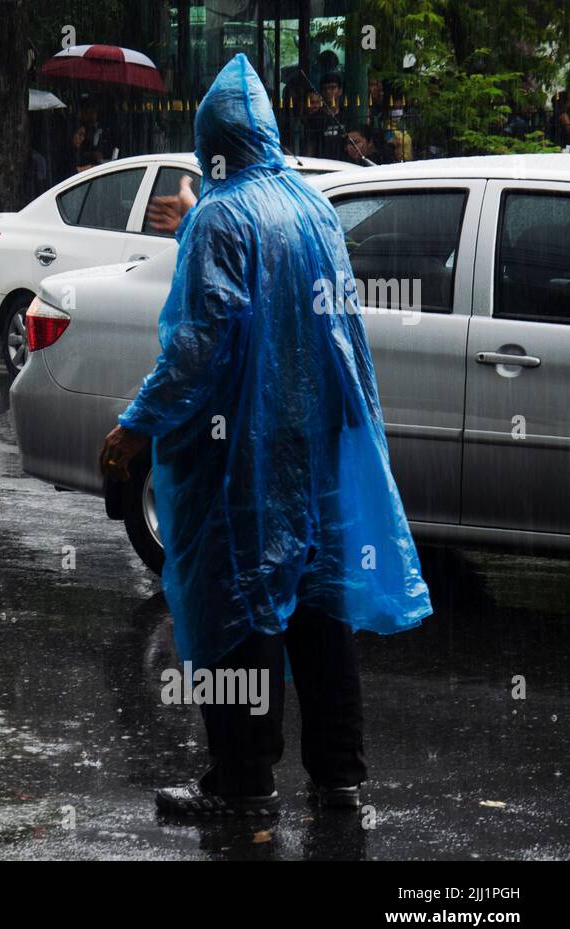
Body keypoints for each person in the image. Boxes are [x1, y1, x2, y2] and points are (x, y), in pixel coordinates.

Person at [98, 54, 432, 817]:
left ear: (210, 137)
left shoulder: (222, 218)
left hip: (241, 453)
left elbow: (196, 345)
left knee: (240, 604)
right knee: (317, 603)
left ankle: (242, 784)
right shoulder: (312, 207)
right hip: (311, 446)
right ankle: (339, 775)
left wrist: (134, 425)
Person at [307, 72, 347, 161]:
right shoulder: (314, 118)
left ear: (340, 91)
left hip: (345, 163)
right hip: (324, 163)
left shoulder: (347, 115)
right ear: (321, 92)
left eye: (333, 88)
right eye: (325, 89)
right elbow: (311, 145)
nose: (329, 91)